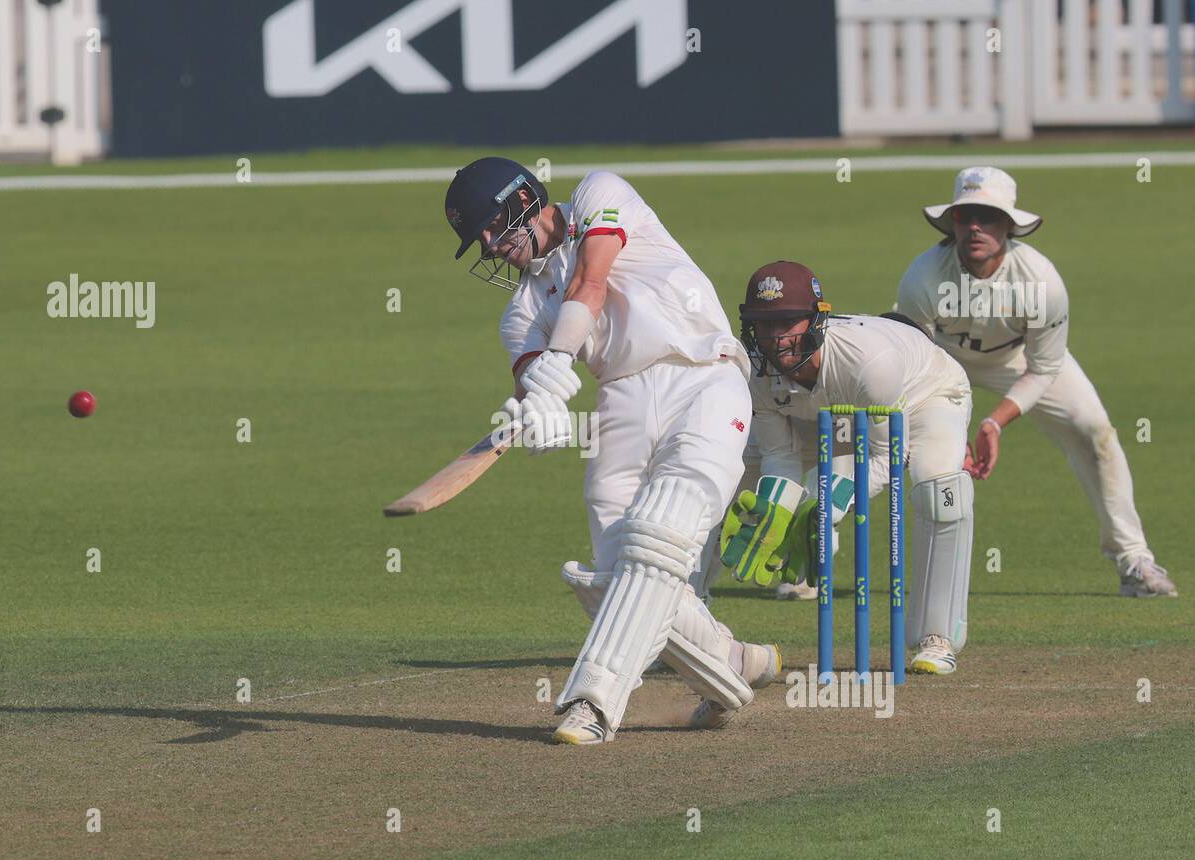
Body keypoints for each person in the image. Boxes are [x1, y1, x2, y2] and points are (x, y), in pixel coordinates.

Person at [443, 157, 780, 744]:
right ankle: (730, 664)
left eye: (493, 229)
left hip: (701, 372)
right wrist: (536, 410)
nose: (493, 248)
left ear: (523, 199)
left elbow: (589, 284)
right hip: (621, 402)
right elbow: (530, 381)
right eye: (481, 242)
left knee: (663, 527)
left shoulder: (598, 193)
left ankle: (593, 700)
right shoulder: (521, 312)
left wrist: (558, 362)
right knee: (614, 570)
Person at [895, 167, 1176, 598]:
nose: (975, 227)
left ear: (1008, 225)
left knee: (1095, 431)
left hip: (1018, 358)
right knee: (873, 427)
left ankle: (1134, 559)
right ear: (952, 222)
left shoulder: (1042, 282)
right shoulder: (922, 277)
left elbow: (1044, 367)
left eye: (987, 217)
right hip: (941, 359)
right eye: (965, 215)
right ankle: (814, 557)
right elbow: (918, 363)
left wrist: (992, 423)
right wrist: (940, 422)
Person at [717, 260, 974, 695]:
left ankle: (938, 635)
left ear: (817, 320)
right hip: (828, 411)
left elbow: (884, 457)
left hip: (926, 394)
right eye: (762, 325)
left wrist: (824, 511)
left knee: (939, 491)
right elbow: (780, 456)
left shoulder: (870, 363)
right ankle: (688, 620)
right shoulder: (756, 371)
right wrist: (778, 513)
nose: (775, 337)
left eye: (787, 322)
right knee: (731, 469)